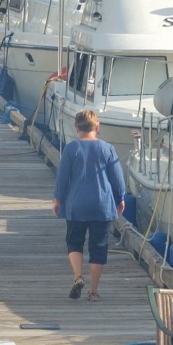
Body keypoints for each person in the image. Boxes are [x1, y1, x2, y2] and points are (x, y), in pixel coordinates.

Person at [52, 109, 126, 302]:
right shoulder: (107, 149)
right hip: (102, 205)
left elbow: (62, 178)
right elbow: (117, 179)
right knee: (98, 247)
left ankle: (78, 277)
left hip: (76, 205)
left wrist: (57, 199)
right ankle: (93, 292)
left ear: (77, 127)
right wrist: (120, 198)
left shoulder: (71, 149)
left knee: (74, 242)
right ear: (97, 126)